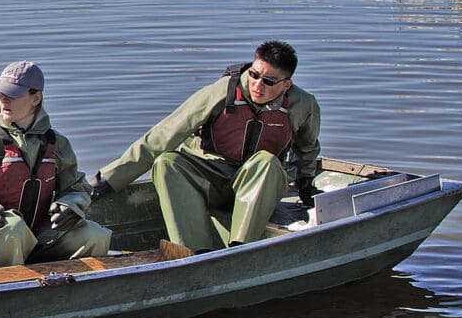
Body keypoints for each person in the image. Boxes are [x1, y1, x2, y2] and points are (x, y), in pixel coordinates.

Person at [92, 40, 322, 252]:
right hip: (210, 180)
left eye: (269, 81)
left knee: (267, 161)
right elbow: (162, 136)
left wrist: (305, 185)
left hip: (259, 185)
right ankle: (195, 252)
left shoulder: (303, 105)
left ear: (286, 84)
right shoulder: (221, 92)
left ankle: (241, 249)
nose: (257, 85)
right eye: (254, 74)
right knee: (166, 163)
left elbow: (307, 148)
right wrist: (107, 180)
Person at [0, 61, 114, 276]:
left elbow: (76, 187)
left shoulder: (56, 143)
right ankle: (10, 294)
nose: (4, 100)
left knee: (95, 235)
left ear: (36, 98)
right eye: (0, 93)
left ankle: (76, 298)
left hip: (39, 236)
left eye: (13, 94)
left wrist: (71, 206)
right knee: (13, 228)